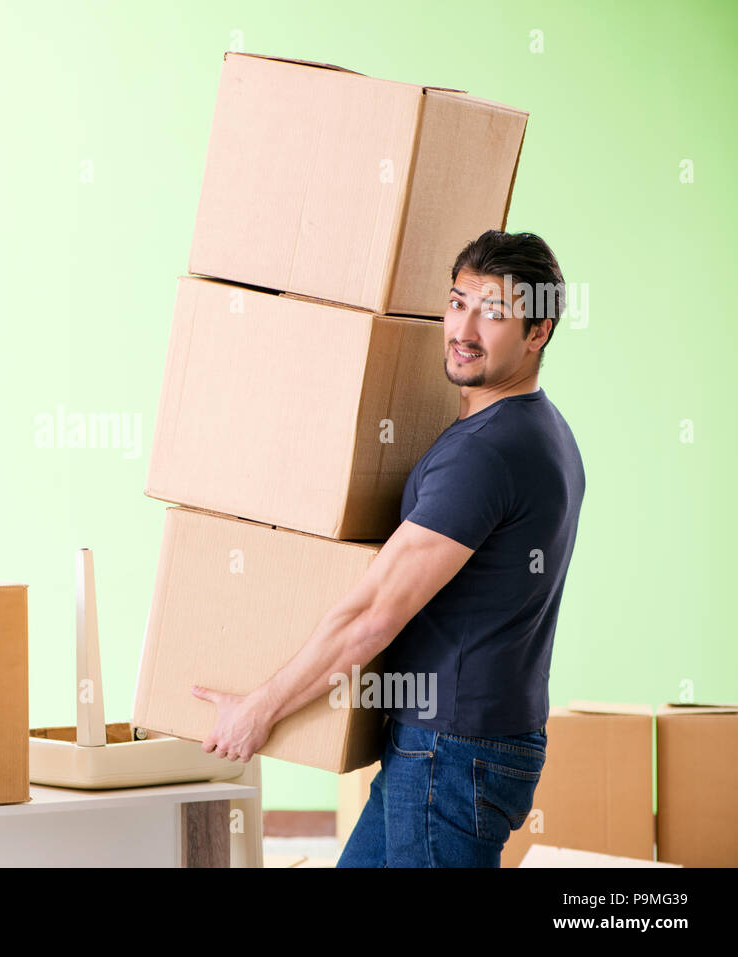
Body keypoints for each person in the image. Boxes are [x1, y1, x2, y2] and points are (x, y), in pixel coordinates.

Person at [190, 229, 586, 867]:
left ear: (538, 332)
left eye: (494, 313)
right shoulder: (543, 429)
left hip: (451, 753)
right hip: (463, 745)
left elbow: (375, 613)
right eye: (458, 302)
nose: (465, 328)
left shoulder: (485, 453)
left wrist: (259, 709)